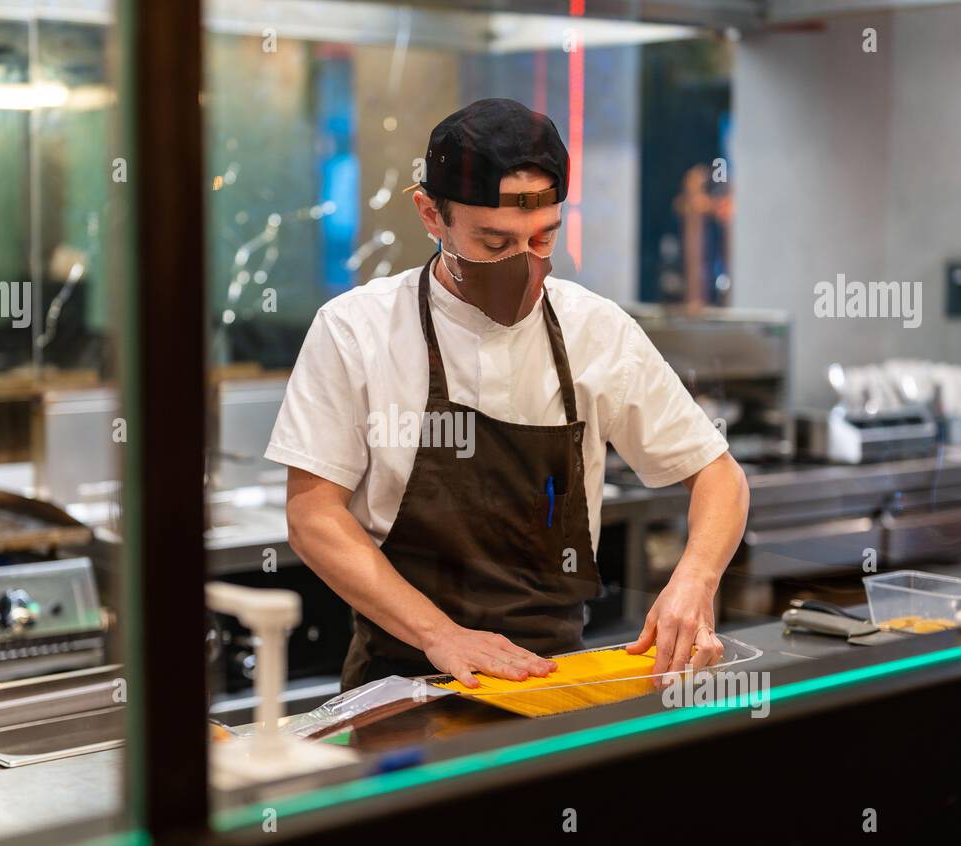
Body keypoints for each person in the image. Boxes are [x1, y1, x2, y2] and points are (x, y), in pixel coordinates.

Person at [266, 98, 749, 691]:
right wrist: (440, 633)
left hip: (552, 679)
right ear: (430, 214)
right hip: (399, 682)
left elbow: (717, 474)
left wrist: (695, 581)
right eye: (495, 245)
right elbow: (312, 514)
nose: (524, 264)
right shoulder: (356, 330)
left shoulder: (597, 330)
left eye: (543, 239)